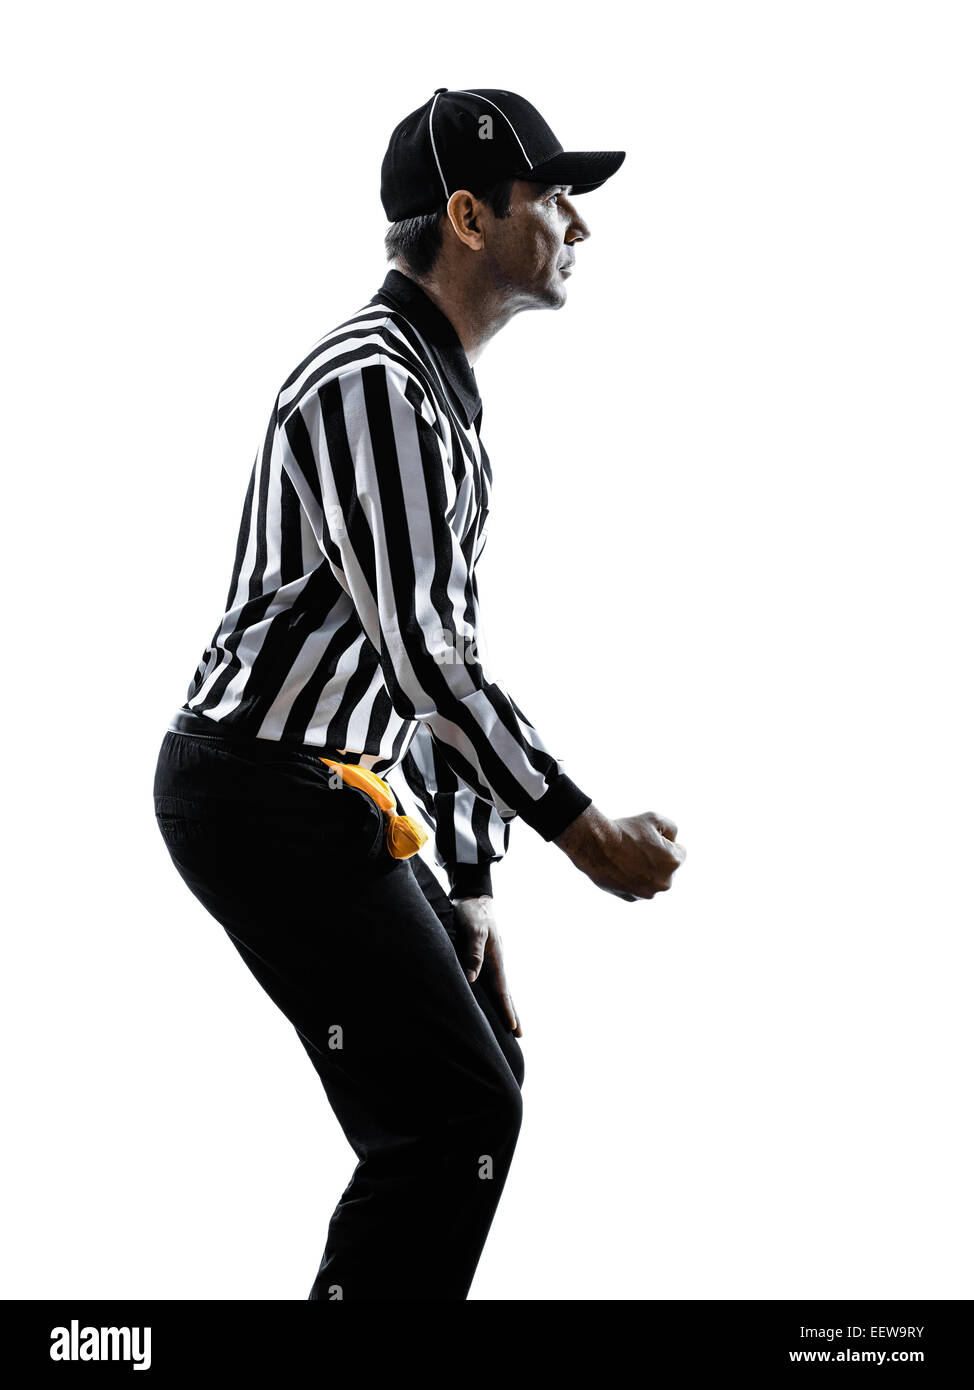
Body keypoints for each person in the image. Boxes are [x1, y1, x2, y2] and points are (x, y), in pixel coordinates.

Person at [152, 86, 685, 1302]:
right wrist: (581, 828)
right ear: (466, 214)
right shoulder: (375, 386)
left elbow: (434, 669)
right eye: (553, 197)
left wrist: (475, 889)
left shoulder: (438, 394)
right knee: (453, 1116)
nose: (577, 227)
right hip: (252, 797)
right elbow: (431, 665)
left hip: (326, 791)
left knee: (478, 1086)